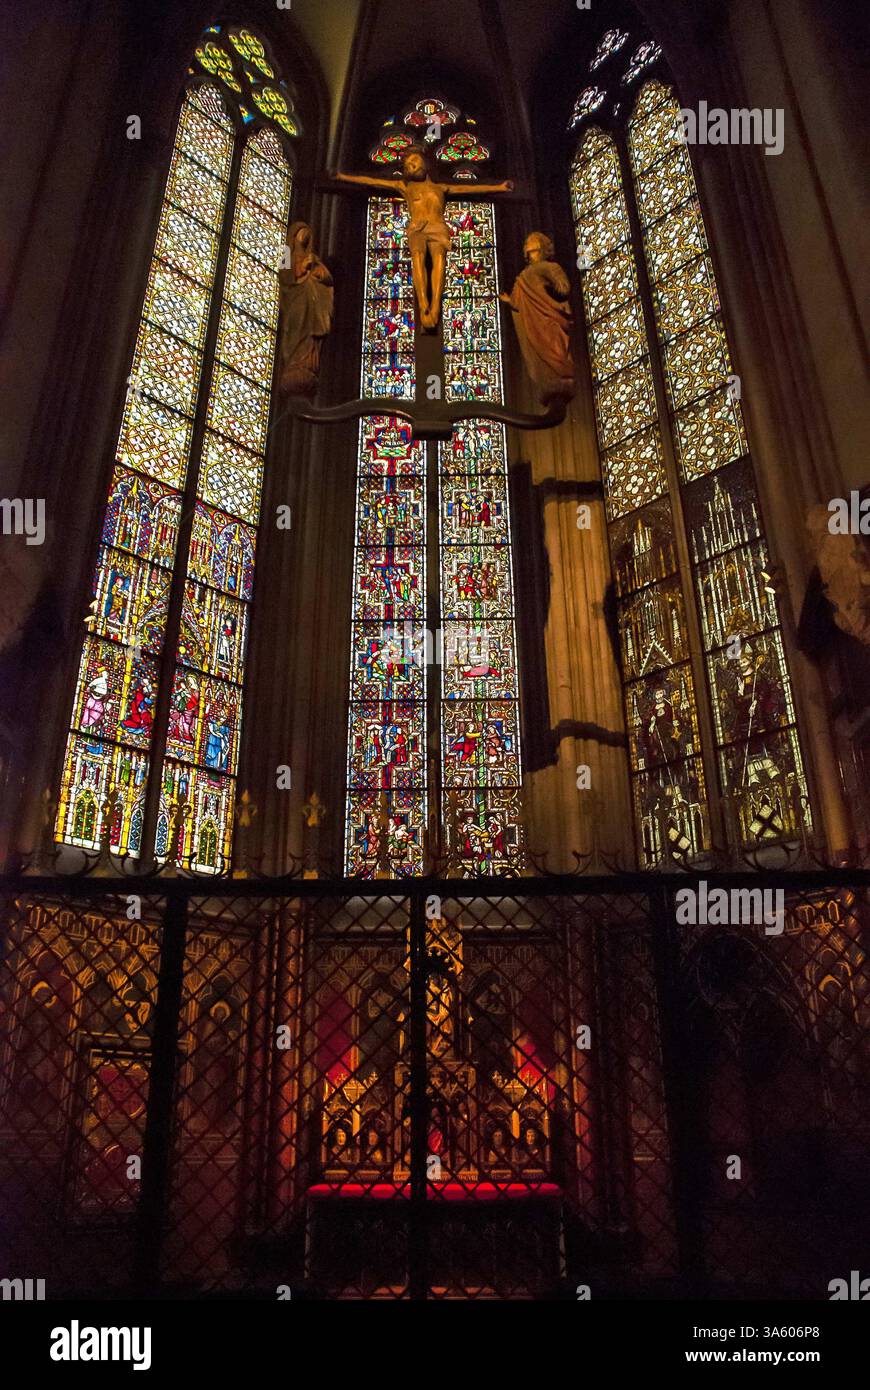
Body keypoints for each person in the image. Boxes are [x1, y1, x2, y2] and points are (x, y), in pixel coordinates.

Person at [333, 148, 513, 330]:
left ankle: (435, 305)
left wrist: (499, 187)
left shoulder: (441, 188)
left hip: (438, 227)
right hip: (417, 227)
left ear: (425, 163)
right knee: (417, 258)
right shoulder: (406, 187)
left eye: (415, 161)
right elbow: (371, 181)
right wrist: (342, 177)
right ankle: (423, 304)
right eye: (408, 166)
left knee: (440, 260)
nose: (412, 166)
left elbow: (471, 188)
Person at [500, 232, 577, 404]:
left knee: (555, 348)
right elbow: (519, 302)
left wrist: (556, 290)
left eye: (531, 244)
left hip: (550, 318)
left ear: (541, 248)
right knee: (538, 352)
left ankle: (561, 375)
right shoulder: (522, 277)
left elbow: (563, 287)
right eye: (527, 245)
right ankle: (548, 379)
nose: (528, 246)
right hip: (532, 321)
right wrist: (509, 301)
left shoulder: (550, 267)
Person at [277, 222, 334, 397]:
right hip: (295, 301)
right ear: (294, 236)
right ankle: (294, 364)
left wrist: (316, 268)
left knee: (310, 334)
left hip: (312, 303)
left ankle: (308, 364)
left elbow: (327, 278)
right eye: (302, 233)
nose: (305, 236)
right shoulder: (286, 252)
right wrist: (301, 267)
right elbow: (283, 273)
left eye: (307, 234)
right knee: (295, 329)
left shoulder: (313, 257)